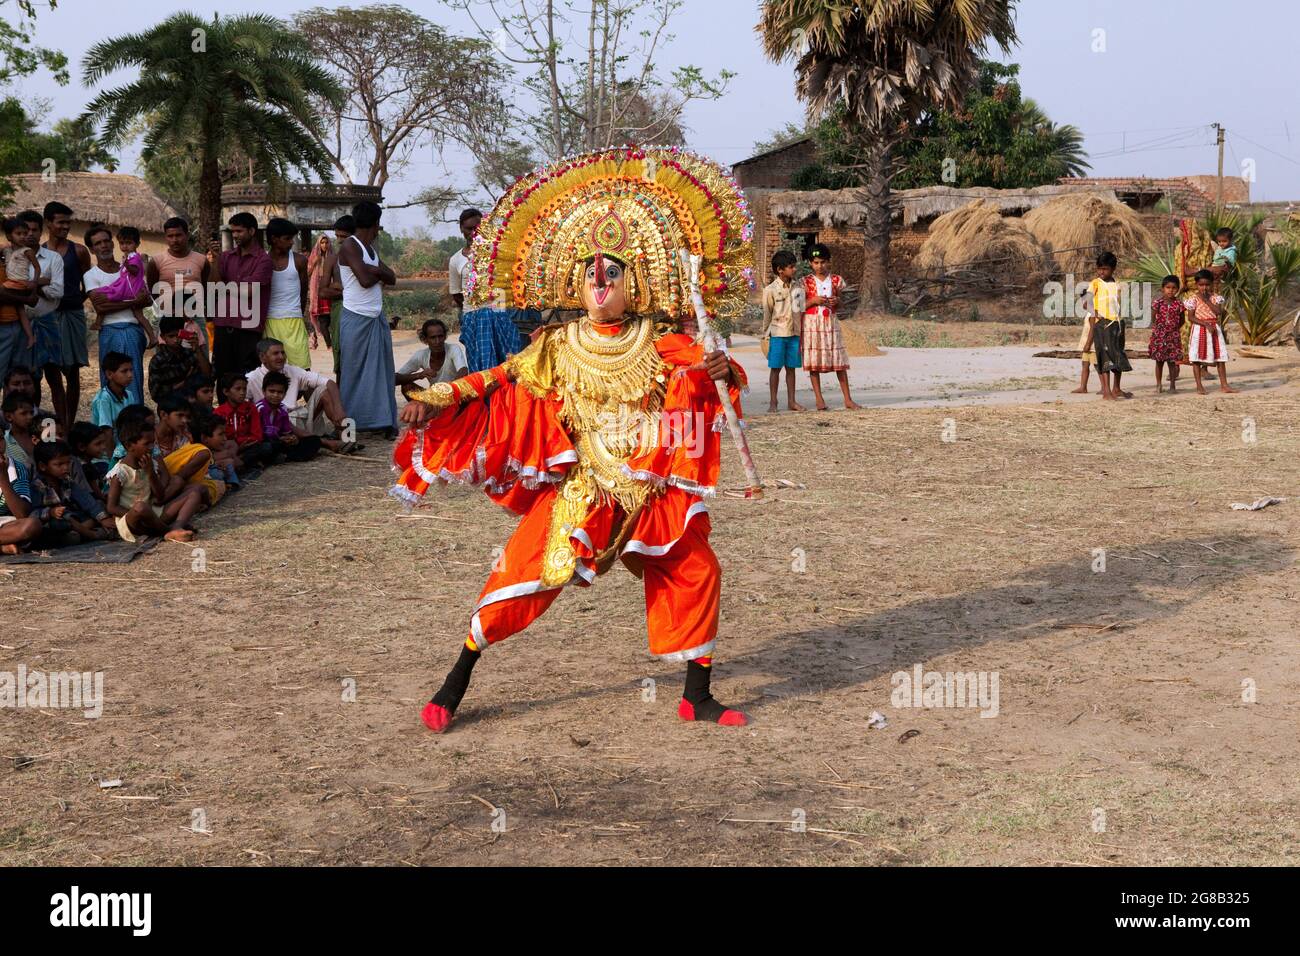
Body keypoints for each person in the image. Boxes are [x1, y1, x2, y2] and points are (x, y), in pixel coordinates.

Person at [394, 146, 752, 734]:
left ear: (634, 282)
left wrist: (722, 373)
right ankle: (457, 677)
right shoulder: (557, 345)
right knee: (520, 577)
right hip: (586, 485)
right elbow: (498, 379)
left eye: (612, 274)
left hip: (650, 488)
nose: (600, 284)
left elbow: (714, 387)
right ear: (577, 285)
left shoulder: (663, 344)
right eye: (591, 275)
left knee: (697, 569)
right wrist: (433, 399)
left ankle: (697, 694)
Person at [336, 200, 397, 438]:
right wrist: (377, 273)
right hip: (355, 317)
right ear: (376, 224)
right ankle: (348, 431)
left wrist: (377, 271)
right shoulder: (351, 246)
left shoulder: (370, 250)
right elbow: (364, 280)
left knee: (383, 372)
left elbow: (391, 277)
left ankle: (385, 423)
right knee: (352, 375)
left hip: (375, 317)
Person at [245, 337, 358, 453]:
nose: (281, 357)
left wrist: (339, 409)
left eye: (283, 352)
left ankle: (345, 438)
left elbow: (330, 383)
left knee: (324, 390)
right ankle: (327, 443)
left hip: (300, 420)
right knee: (284, 419)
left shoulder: (292, 370)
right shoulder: (251, 379)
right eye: (275, 353)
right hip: (278, 427)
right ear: (262, 357)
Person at [105, 414, 201, 544]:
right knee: (140, 507)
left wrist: (150, 473)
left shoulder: (150, 464)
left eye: (153, 443)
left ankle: (177, 526)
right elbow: (111, 507)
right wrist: (138, 514)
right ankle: (168, 531)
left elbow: (160, 497)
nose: (151, 447)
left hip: (153, 513)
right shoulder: (120, 472)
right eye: (147, 444)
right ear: (129, 446)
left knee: (194, 493)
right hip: (133, 521)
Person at [84, 225, 153, 404]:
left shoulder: (129, 267)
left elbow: (146, 298)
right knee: (110, 380)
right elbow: (100, 308)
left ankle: (136, 424)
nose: (104, 246)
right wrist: (132, 301)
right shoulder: (91, 275)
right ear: (92, 249)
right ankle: (112, 426)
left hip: (132, 329)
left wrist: (117, 302)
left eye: (107, 241)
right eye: (98, 243)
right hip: (108, 331)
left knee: (133, 377)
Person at [39, 202, 93, 430]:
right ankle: (60, 426)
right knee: (52, 373)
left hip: (72, 316)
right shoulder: (38, 253)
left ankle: (69, 426)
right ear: (49, 223)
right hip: (46, 318)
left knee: (72, 372)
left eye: (68, 222)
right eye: (61, 222)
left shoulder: (79, 251)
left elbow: (88, 286)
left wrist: (70, 303)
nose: (65, 226)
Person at [209, 212, 272, 378]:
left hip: (248, 328)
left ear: (252, 231)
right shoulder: (225, 257)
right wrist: (215, 260)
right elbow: (214, 285)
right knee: (223, 378)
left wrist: (226, 287)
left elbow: (250, 291)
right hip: (223, 325)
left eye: (239, 231)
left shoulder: (263, 260)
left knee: (247, 378)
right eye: (233, 232)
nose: (235, 235)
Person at [15, 210, 64, 414]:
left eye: (35, 230)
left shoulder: (53, 259)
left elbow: (58, 291)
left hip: (48, 321)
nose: (30, 234)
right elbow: (11, 290)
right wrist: (43, 282)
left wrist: (34, 285)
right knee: (27, 379)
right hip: (21, 323)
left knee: (54, 377)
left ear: (41, 231)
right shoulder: (12, 259)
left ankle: (64, 429)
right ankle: (28, 427)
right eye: (25, 230)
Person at [800, 244, 859, 411]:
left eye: (823, 262)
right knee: (814, 362)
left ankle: (848, 399)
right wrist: (813, 301)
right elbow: (798, 306)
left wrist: (837, 302)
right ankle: (819, 399)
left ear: (829, 262)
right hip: (812, 324)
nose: (820, 266)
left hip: (831, 323)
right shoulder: (804, 282)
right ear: (810, 263)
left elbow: (842, 303)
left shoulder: (836, 281)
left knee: (838, 360)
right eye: (816, 262)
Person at [146, 216, 211, 357]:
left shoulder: (201, 260)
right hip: (168, 317)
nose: (174, 240)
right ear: (165, 237)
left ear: (187, 235)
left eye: (178, 235)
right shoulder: (156, 262)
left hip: (195, 317)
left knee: (200, 355)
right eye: (170, 236)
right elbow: (153, 290)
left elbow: (204, 286)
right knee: (168, 359)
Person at [31, 439, 113, 544]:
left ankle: (79, 532)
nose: (65, 468)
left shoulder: (67, 481)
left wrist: (103, 518)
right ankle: (91, 534)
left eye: (68, 462)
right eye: (59, 464)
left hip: (73, 517)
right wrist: (50, 512)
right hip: (55, 523)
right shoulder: (37, 486)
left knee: (98, 505)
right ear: (43, 466)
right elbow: (32, 513)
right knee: (63, 522)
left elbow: (86, 500)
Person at [264, 217, 318, 369]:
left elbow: (303, 293)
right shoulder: (262, 262)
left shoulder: (299, 261)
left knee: (302, 370)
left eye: (292, 238)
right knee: (273, 372)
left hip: (294, 321)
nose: (291, 242)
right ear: (274, 239)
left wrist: (299, 316)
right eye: (287, 239)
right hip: (269, 322)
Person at [1082, 251, 1132, 400]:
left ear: (1113, 269)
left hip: (1117, 323)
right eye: (1099, 268)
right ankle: (1106, 391)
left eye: (1105, 269)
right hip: (1102, 324)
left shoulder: (1117, 284)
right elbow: (1086, 304)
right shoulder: (1095, 283)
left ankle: (1117, 388)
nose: (1101, 272)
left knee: (1118, 355)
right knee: (1105, 357)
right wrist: (1096, 313)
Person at [760, 249, 806, 413]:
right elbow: (767, 314)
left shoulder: (798, 288)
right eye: (791, 267)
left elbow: (800, 311)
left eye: (794, 266)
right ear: (780, 269)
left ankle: (792, 402)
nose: (794, 270)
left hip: (794, 335)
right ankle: (773, 402)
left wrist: (802, 333)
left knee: (791, 369)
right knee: (775, 369)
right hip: (777, 335)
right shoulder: (770, 290)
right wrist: (765, 336)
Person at [1184, 268, 1237, 394]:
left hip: (1214, 329)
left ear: (1212, 284)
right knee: (1196, 358)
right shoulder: (1193, 299)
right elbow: (1191, 317)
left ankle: (1224, 385)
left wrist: (1207, 300)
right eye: (1201, 285)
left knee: (1220, 357)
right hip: (1199, 329)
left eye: (1207, 284)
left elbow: (1218, 312)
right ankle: (1199, 386)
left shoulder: (1215, 298)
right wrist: (1205, 324)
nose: (1204, 288)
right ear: (1197, 285)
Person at [0, 216, 38, 383]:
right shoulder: (6, 254)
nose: (23, 236)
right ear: (9, 235)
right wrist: (28, 299)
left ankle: (12, 408)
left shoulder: (11, 258)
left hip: (15, 324)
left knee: (16, 377)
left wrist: (34, 285)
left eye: (25, 233)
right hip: (3, 325)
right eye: (19, 233)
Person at [315, 215, 355, 376]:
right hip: (340, 309)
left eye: (343, 237)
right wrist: (343, 291)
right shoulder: (332, 259)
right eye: (337, 236)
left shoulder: (364, 257)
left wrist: (340, 289)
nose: (339, 240)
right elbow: (322, 291)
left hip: (359, 309)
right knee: (340, 351)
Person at [257, 370, 322, 462]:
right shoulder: (259, 409)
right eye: (272, 391)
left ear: (285, 394)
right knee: (266, 447)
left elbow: (286, 431)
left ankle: (286, 457)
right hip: (265, 442)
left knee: (314, 441)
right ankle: (284, 457)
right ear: (264, 391)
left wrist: (291, 438)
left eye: (280, 392)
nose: (275, 395)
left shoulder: (283, 409)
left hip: (279, 443)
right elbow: (257, 435)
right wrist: (279, 439)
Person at [395, 318, 467, 399]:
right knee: (407, 386)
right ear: (425, 339)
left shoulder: (453, 349)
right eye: (433, 338)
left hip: (454, 395)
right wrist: (419, 375)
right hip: (434, 398)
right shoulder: (421, 355)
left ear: (445, 337)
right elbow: (395, 379)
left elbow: (463, 371)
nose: (437, 341)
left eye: (440, 336)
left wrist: (448, 390)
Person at [148, 315, 211, 403]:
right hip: (170, 405)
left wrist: (197, 349)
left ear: (182, 333)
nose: (175, 340)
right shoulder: (158, 361)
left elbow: (207, 375)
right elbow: (156, 394)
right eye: (171, 336)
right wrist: (184, 383)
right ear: (163, 337)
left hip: (192, 403)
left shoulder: (190, 353)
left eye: (178, 335)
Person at [216, 372, 270, 470]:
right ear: (226, 392)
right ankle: (243, 463)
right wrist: (237, 445)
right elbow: (218, 439)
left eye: (244, 389)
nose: (242, 393)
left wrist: (241, 443)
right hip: (229, 448)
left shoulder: (251, 408)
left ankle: (240, 462)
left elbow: (257, 435)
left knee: (266, 447)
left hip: (248, 446)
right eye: (238, 389)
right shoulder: (219, 412)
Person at [91, 351, 136, 458]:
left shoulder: (129, 395)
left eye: (131, 370)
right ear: (109, 374)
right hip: (106, 455)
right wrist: (112, 464)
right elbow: (108, 434)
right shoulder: (103, 399)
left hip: (123, 449)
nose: (130, 375)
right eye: (124, 371)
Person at [0, 440, 42, 553]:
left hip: (4, 525)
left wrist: (3, 478)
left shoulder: (16, 468)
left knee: (32, 526)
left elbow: (22, 514)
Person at [1148, 275, 1185, 394]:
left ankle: (1173, 386)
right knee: (1159, 362)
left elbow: (1182, 320)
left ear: (1178, 289)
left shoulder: (1179, 304)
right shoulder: (1157, 303)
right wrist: (1159, 329)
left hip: (1173, 336)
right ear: (1163, 288)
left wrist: (1173, 329)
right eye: (1168, 287)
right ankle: (1158, 385)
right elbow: (1153, 318)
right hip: (1159, 336)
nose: (1171, 290)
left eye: (1174, 288)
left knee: (1172, 362)